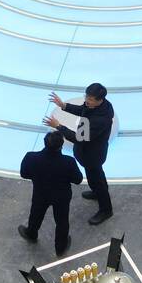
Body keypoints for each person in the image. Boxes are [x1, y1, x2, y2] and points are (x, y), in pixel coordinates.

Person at [46, 83, 114, 225]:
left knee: (98, 179)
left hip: (93, 155)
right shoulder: (97, 106)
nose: (87, 100)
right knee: (93, 176)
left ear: (100, 99)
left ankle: (106, 209)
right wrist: (63, 106)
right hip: (87, 153)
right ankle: (96, 191)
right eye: (86, 96)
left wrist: (58, 126)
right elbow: (83, 110)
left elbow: (79, 138)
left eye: (90, 98)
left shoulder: (99, 120)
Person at [18, 130, 82, 255]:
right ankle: (60, 247)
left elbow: (24, 174)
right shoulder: (69, 162)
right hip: (62, 196)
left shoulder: (31, 157)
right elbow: (78, 180)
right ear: (61, 145)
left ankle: (31, 233)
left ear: (45, 143)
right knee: (62, 220)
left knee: (36, 214)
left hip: (40, 193)